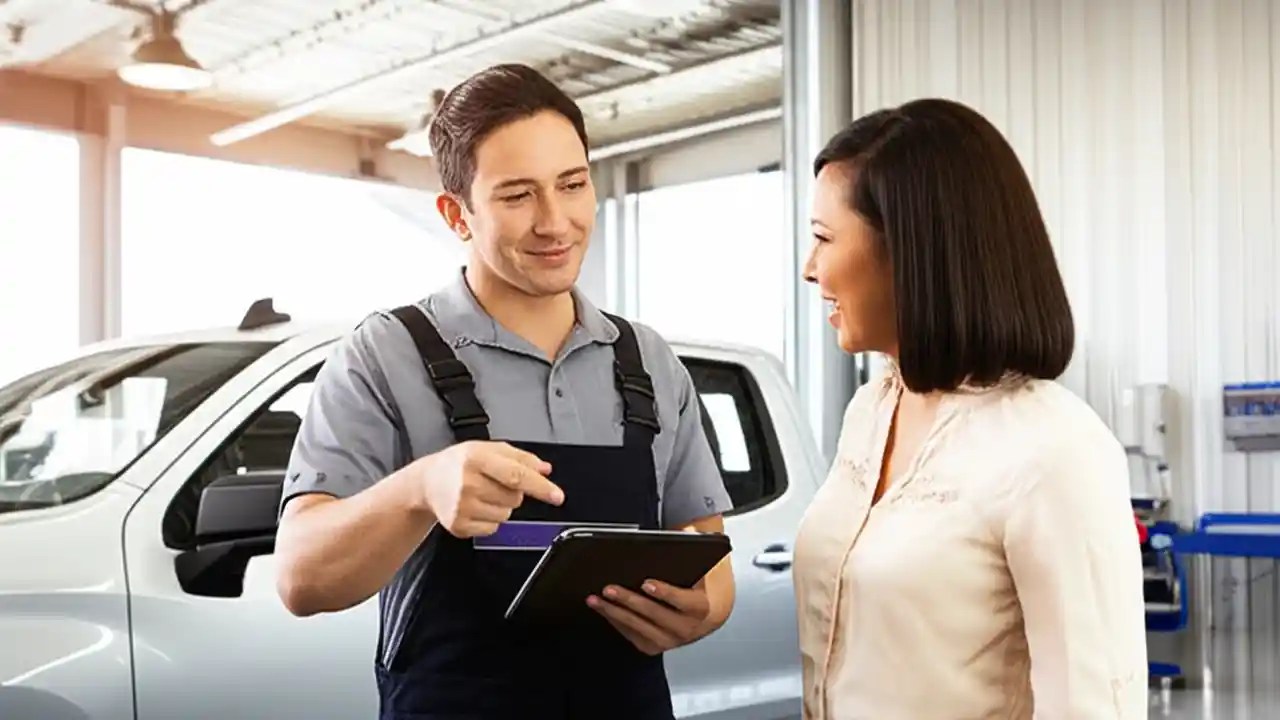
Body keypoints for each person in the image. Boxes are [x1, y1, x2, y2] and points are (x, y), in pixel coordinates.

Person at [273, 63, 736, 720]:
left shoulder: (649, 362)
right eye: (518, 196)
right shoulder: (385, 354)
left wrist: (701, 611)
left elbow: (709, 557)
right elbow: (300, 578)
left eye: (572, 185)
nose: (555, 222)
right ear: (455, 214)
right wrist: (421, 489)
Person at [792, 98, 1148, 719]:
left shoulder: (1052, 449)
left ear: (912, 250)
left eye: (824, 238)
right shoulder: (872, 409)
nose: (809, 268)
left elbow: (1095, 706)